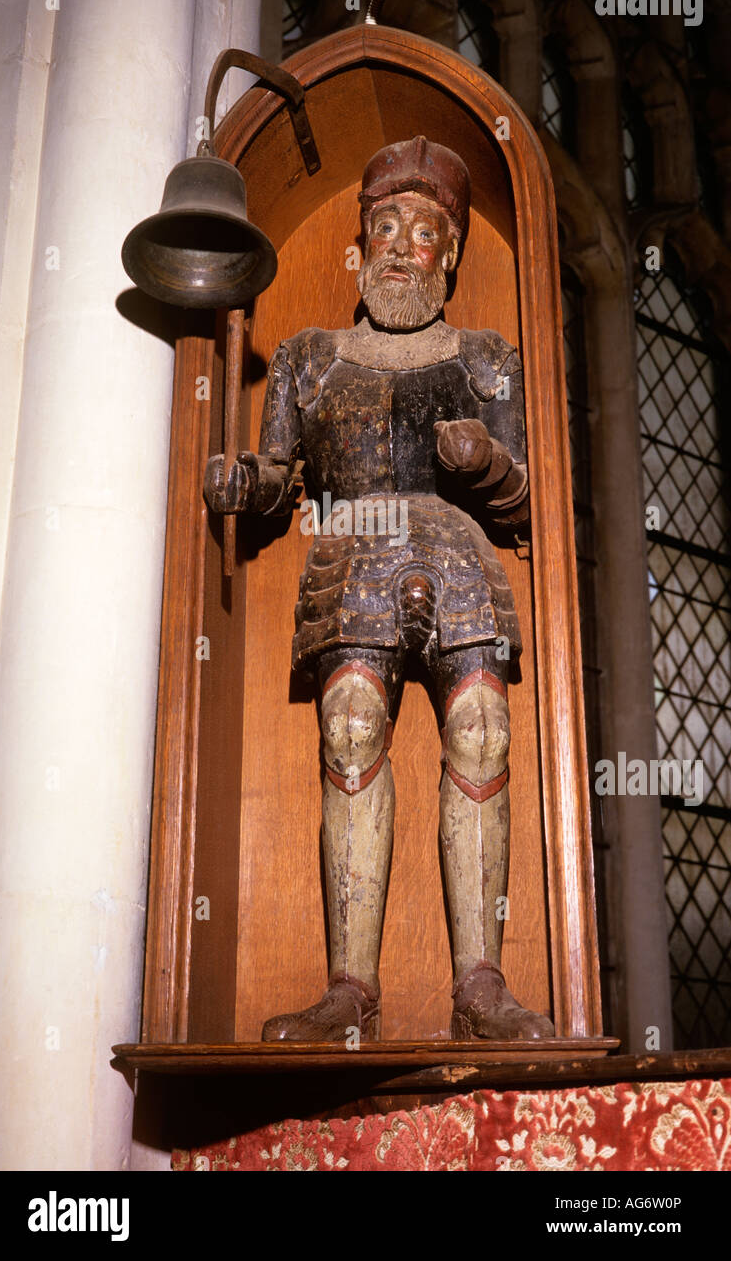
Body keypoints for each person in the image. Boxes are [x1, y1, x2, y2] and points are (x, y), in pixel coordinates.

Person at [204, 136, 554, 1042]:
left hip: (459, 553)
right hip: (350, 550)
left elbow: (526, 506)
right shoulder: (308, 358)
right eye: (384, 226)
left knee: (481, 731)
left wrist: (487, 463)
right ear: (360, 244)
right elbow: (280, 480)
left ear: (450, 253)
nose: (401, 245)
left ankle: (480, 985)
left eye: (424, 231)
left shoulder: (488, 359)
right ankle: (350, 988)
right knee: (351, 725)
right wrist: (247, 484)